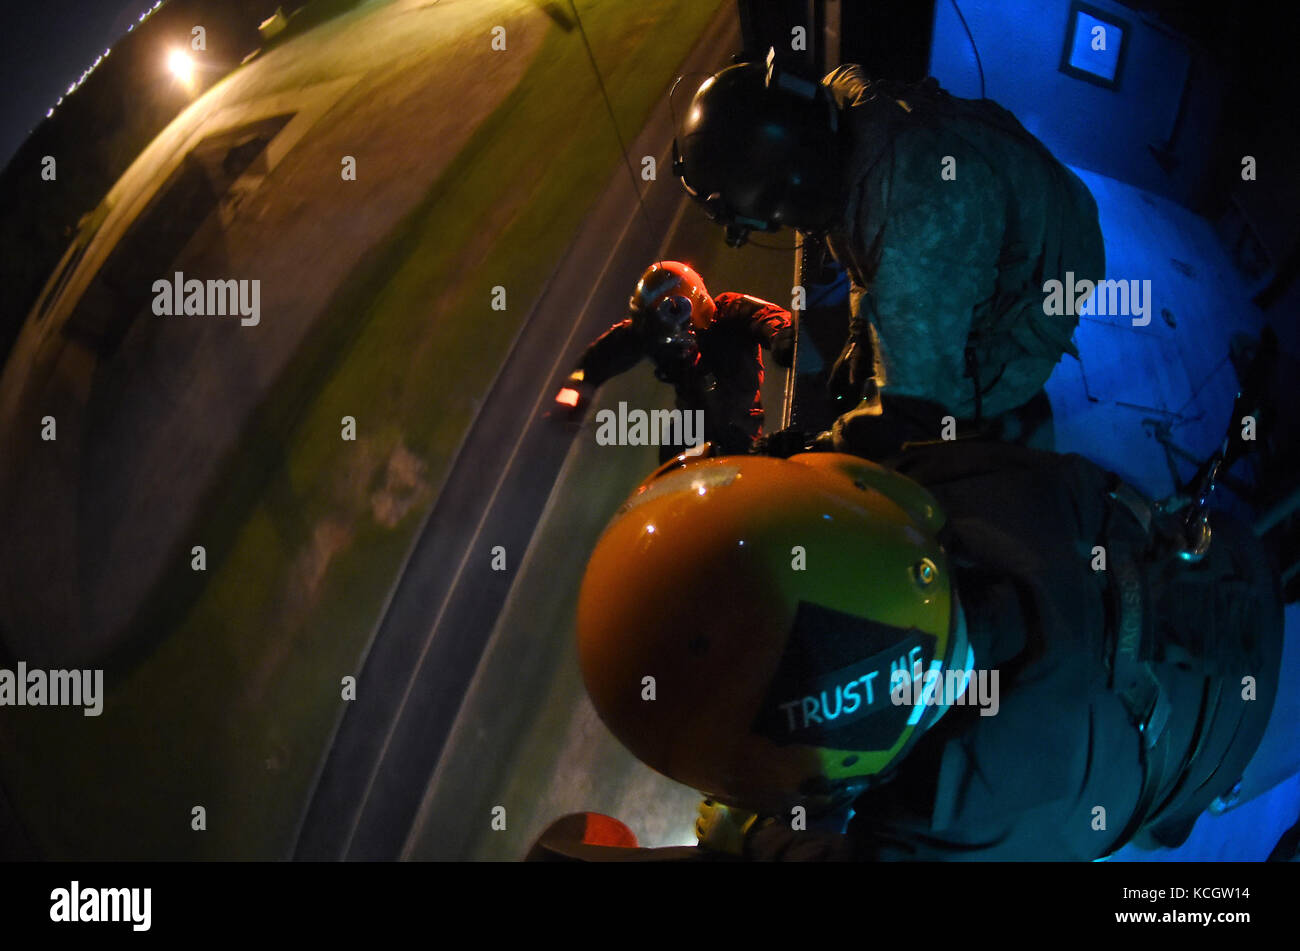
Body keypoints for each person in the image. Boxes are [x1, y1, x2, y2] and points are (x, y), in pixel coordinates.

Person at [575, 442, 1290, 860]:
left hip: (1240, 735)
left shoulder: (943, 815)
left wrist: (759, 840)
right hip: (1234, 562)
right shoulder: (953, 486)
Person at [673, 57, 1105, 450]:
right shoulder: (828, 114)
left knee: (958, 410)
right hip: (1020, 195)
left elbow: (913, 409)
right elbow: (856, 232)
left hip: (1060, 262)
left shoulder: (918, 221)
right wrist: (863, 331)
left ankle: (1001, 426)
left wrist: (814, 447)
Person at [556, 261, 794, 460]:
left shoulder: (730, 312)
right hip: (691, 425)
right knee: (668, 467)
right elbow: (595, 360)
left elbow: (771, 316)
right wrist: (574, 391)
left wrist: (782, 337)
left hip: (740, 429)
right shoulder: (649, 331)